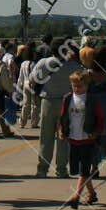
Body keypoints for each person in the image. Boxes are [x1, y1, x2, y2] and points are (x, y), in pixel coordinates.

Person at [60, 67, 104, 208]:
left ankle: (76, 196)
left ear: (86, 85)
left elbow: (100, 118)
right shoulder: (67, 99)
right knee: (79, 170)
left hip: (87, 138)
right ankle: (92, 193)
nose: (77, 89)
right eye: (74, 86)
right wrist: (62, 130)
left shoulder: (92, 100)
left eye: (80, 86)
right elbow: (63, 117)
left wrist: (96, 132)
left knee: (84, 169)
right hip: (73, 138)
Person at [34, 45, 80, 177]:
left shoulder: (43, 63)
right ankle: (61, 169)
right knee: (63, 137)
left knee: (45, 137)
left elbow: (32, 79)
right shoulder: (73, 66)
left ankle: (42, 169)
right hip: (66, 102)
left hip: (48, 101)